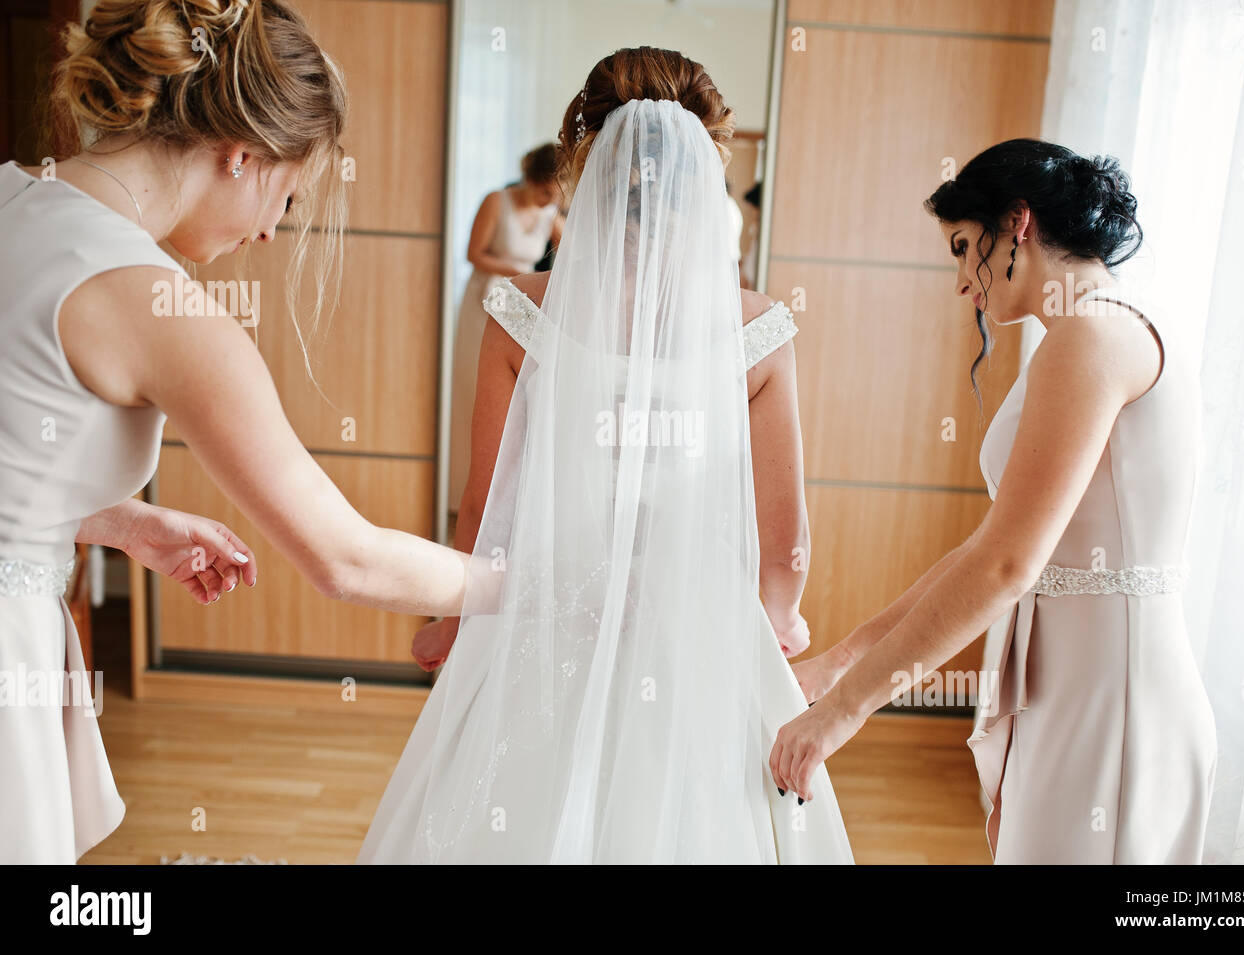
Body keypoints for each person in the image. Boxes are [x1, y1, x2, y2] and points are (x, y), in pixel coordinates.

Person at [0, 0, 471, 864]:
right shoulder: (161, 304)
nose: (264, 232)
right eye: (284, 201)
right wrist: (525, 582)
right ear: (242, 154)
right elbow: (346, 558)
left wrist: (112, 520)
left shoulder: (9, 193)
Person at [360, 48, 853, 864]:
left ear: (584, 156)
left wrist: (454, 619)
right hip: (696, 630)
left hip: (551, 615)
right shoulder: (758, 326)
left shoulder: (521, 308)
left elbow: (484, 506)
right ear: (705, 168)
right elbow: (787, 531)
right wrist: (776, 623)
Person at [769, 139, 1217, 864]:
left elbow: (1007, 564)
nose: (958, 282)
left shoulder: (1093, 334)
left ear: (1018, 223)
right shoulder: (1086, 328)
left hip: (1115, 703)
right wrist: (839, 662)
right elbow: (988, 549)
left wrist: (845, 709)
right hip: (1077, 688)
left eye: (960, 247)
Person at [449, 144, 564, 508]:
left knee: (515, 400)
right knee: (474, 391)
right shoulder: (496, 201)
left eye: (555, 195)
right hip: (487, 298)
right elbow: (473, 254)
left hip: (522, 309)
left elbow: (575, 254)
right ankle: (461, 494)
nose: (549, 200)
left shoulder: (551, 215)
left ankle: (505, 499)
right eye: (545, 191)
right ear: (531, 179)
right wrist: (522, 274)